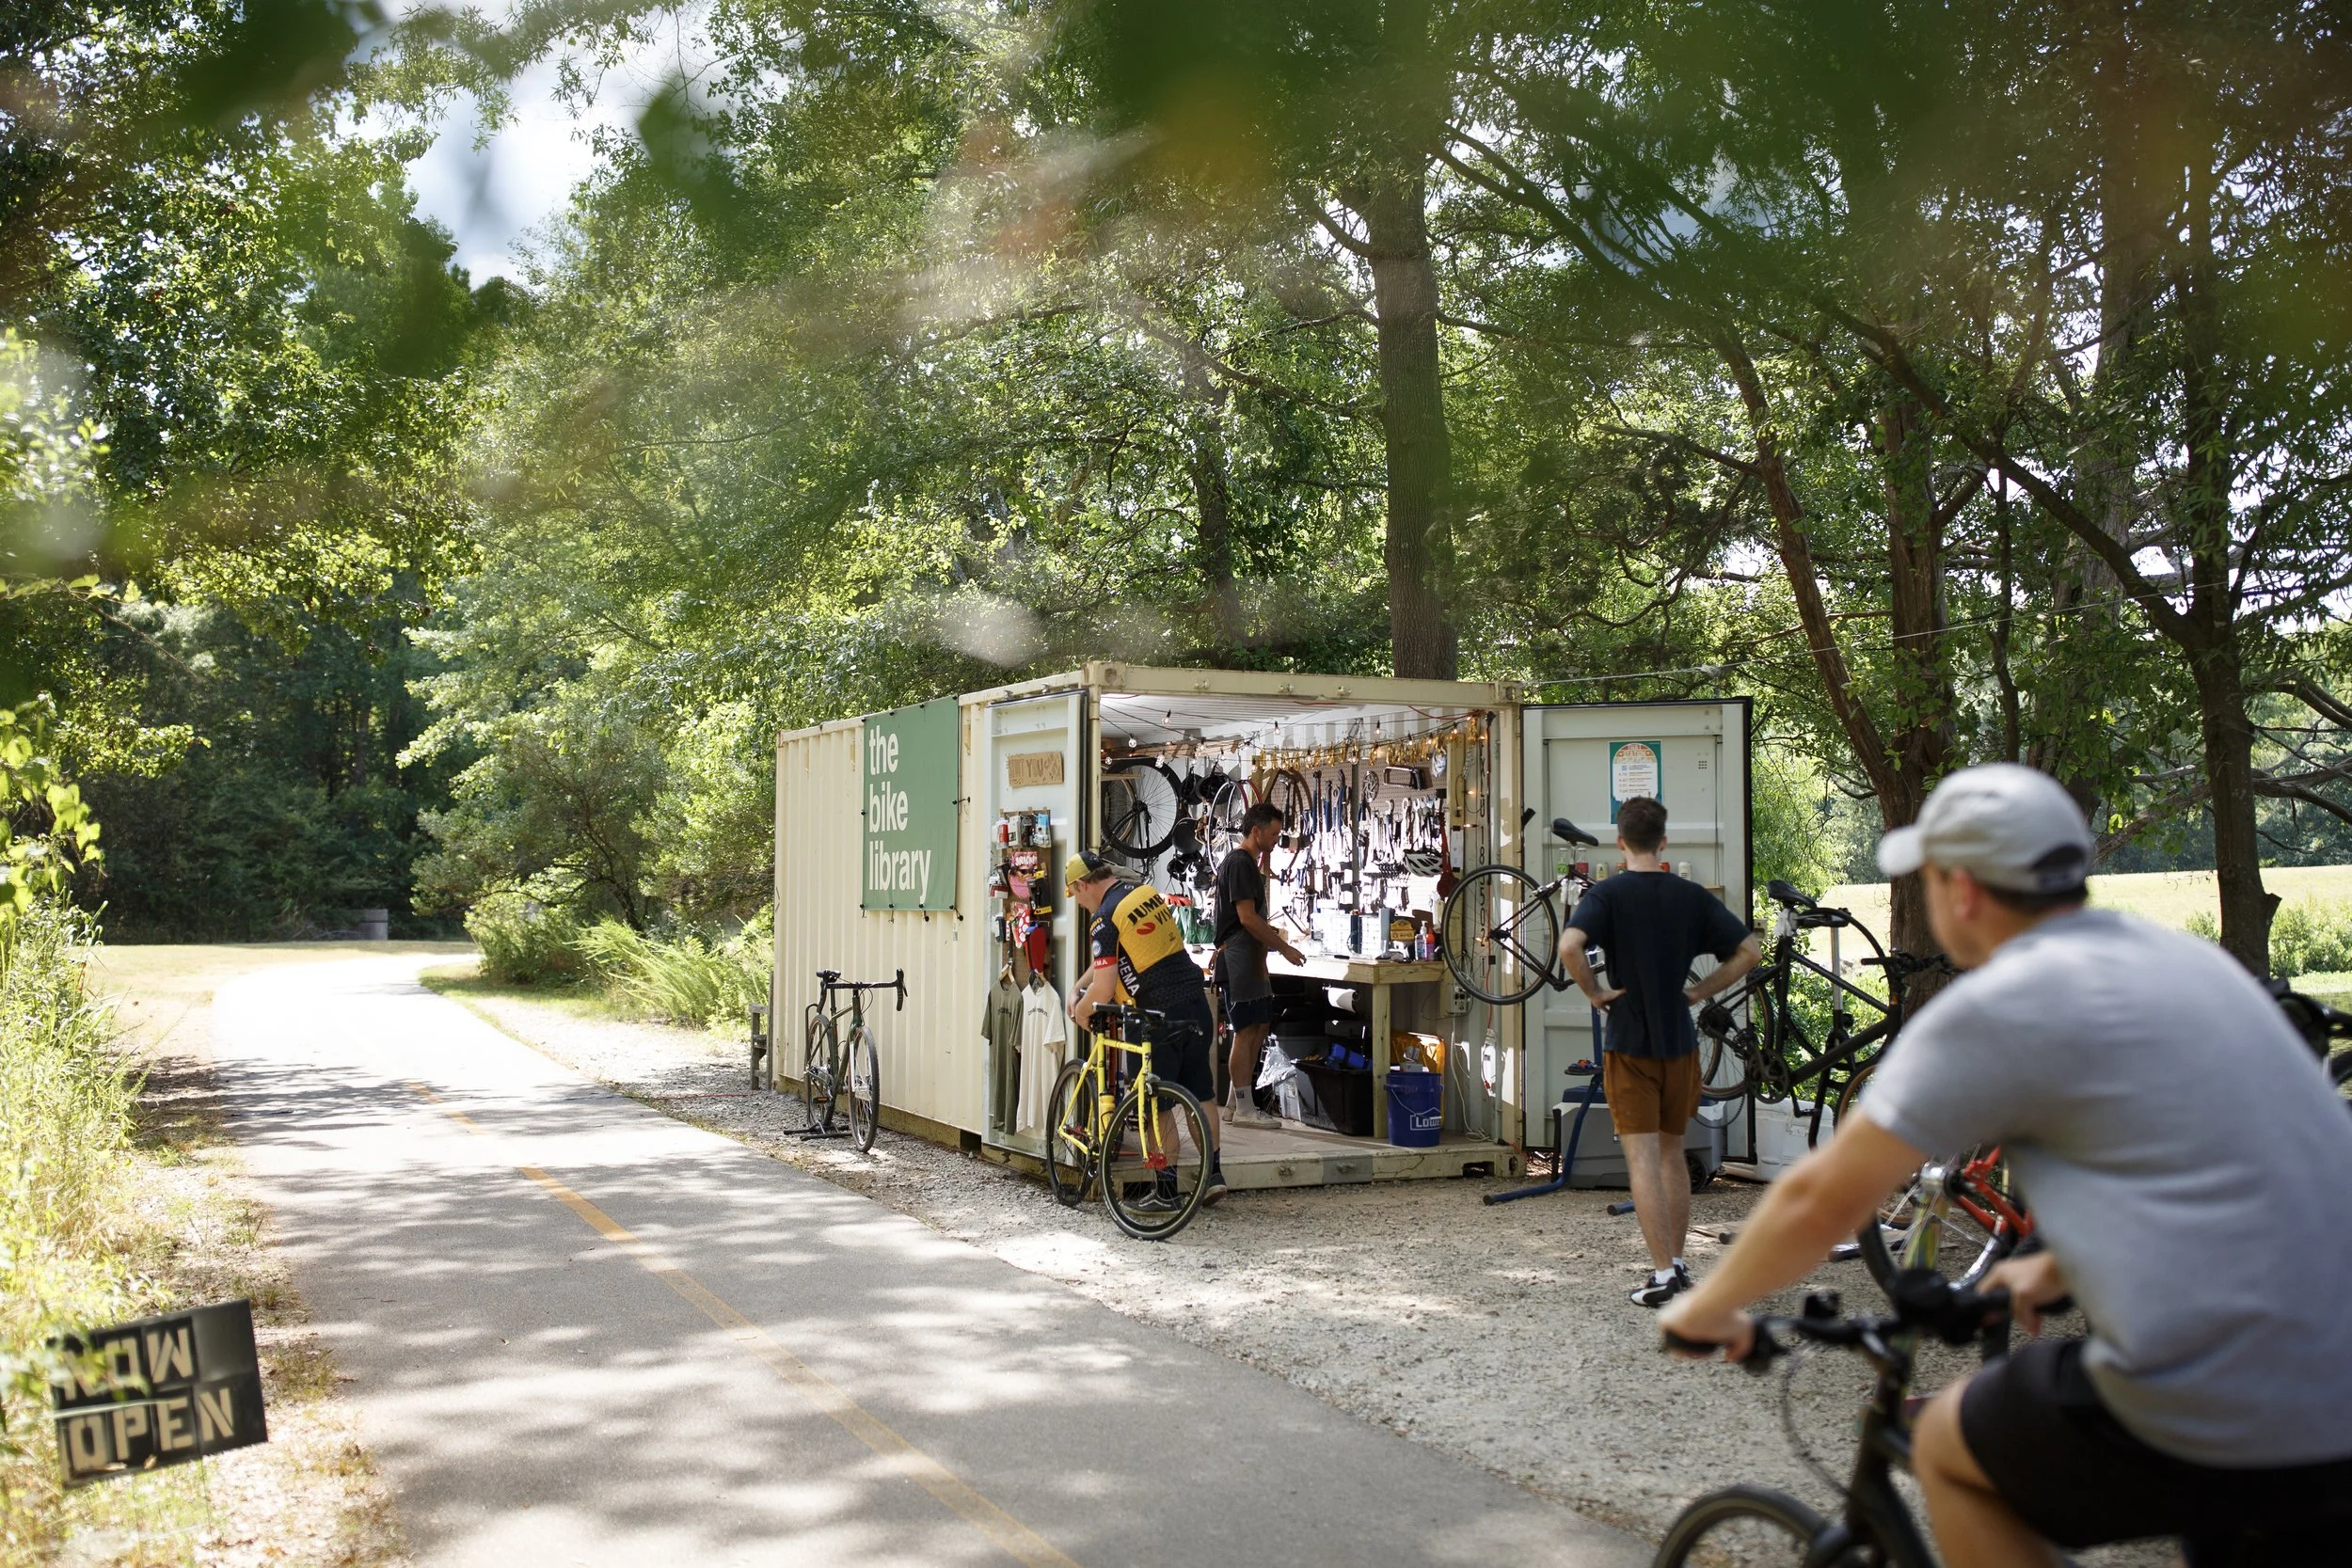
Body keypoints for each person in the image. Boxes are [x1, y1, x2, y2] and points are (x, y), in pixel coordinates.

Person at [1659, 763, 2352, 1567]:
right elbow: (2225, 1160)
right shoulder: (2185, 963)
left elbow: (1820, 1196)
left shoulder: (2008, 1000)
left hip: (2229, 1397)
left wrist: (1707, 1307)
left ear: (1962, 890)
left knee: (1951, 1444)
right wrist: (2056, 1263)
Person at [1556, 796, 1761, 1307]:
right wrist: (1700, 990)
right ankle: (1680, 1265)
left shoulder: (1607, 895)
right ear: (1664, 842)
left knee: (1642, 1162)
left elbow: (1568, 946)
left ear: (1621, 842)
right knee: (1673, 1154)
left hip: (1629, 1043)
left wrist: (1595, 993)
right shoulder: (1689, 896)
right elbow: (1750, 951)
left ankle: (1664, 1274)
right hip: (1680, 1044)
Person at [1064, 848, 1226, 1207]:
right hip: (1195, 1005)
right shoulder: (1144, 893)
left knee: (1157, 1105)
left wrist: (1080, 1011)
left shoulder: (1103, 919)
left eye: (1075, 894)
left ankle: (1167, 1192)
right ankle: (1213, 1175)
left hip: (1153, 1016)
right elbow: (1117, 956)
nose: (1077, 903)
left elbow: (1105, 987)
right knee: (1201, 1095)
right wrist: (1079, 984)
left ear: (1081, 885)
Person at [1214, 802, 1304, 1127]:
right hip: (1238, 957)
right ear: (1256, 831)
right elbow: (1247, 918)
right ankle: (1246, 1109)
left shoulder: (1248, 864)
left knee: (1257, 1028)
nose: (1277, 839)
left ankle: (1234, 1105)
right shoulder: (1240, 863)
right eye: (1274, 834)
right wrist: (1285, 948)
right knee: (1246, 1030)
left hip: (1249, 957)